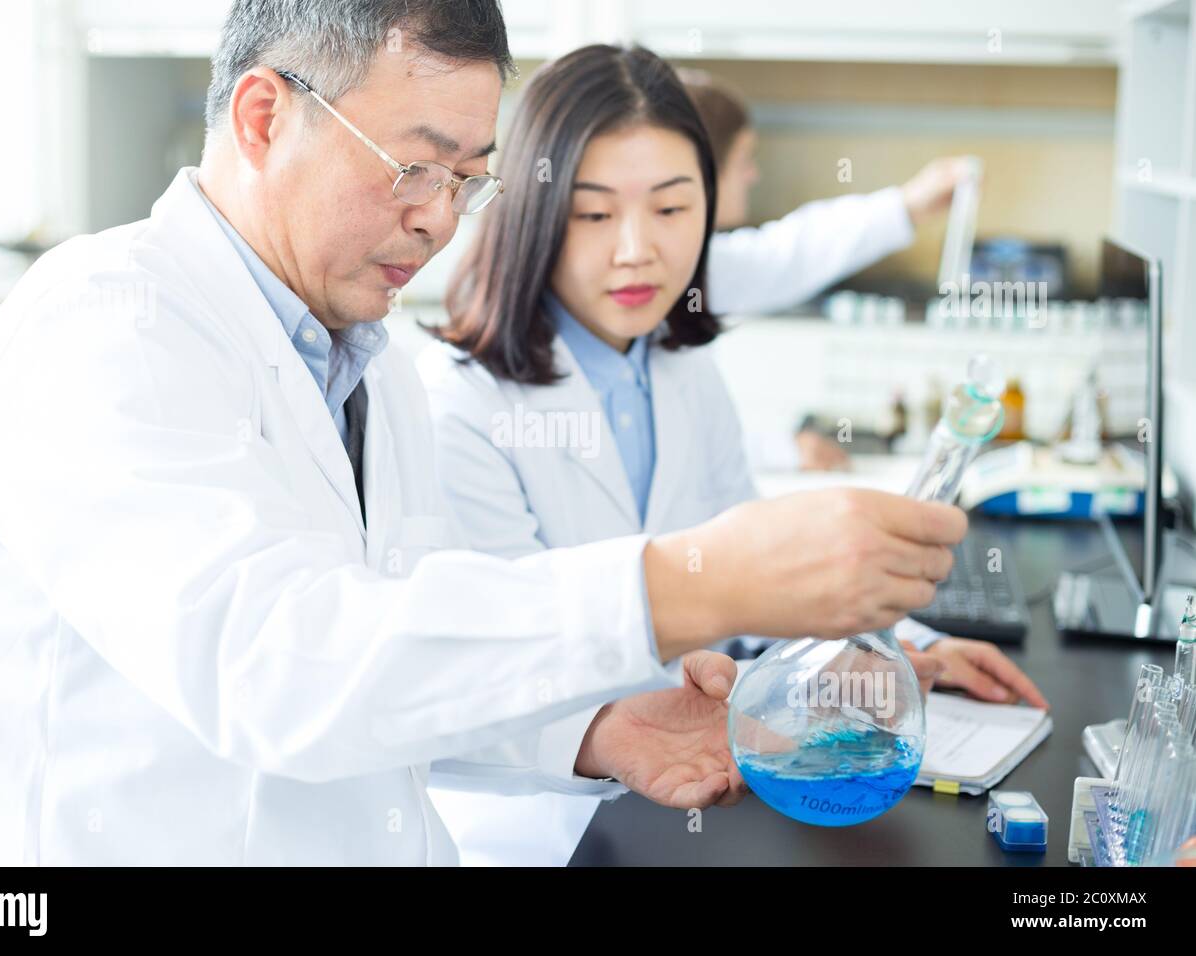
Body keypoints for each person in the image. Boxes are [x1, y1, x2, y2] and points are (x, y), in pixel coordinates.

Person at [0, 0, 967, 866]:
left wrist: (592, 728)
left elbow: (399, 660)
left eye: (468, 177)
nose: (440, 219)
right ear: (262, 117)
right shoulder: (103, 325)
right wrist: (686, 582)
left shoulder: (367, 361)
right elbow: (282, 667)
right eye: (413, 165)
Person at [418, 44, 1048, 867]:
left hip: (695, 796)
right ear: (534, 214)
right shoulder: (458, 405)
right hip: (545, 827)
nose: (638, 249)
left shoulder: (683, 370)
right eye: (596, 213)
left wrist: (906, 648)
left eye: (673, 210)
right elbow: (493, 668)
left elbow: (750, 594)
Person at [681, 71, 974, 472]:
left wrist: (907, 204)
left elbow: (787, 254)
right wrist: (779, 451)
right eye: (744, 159)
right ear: (706, 170)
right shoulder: (664, 276)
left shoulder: (696, 263)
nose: (754, 175)